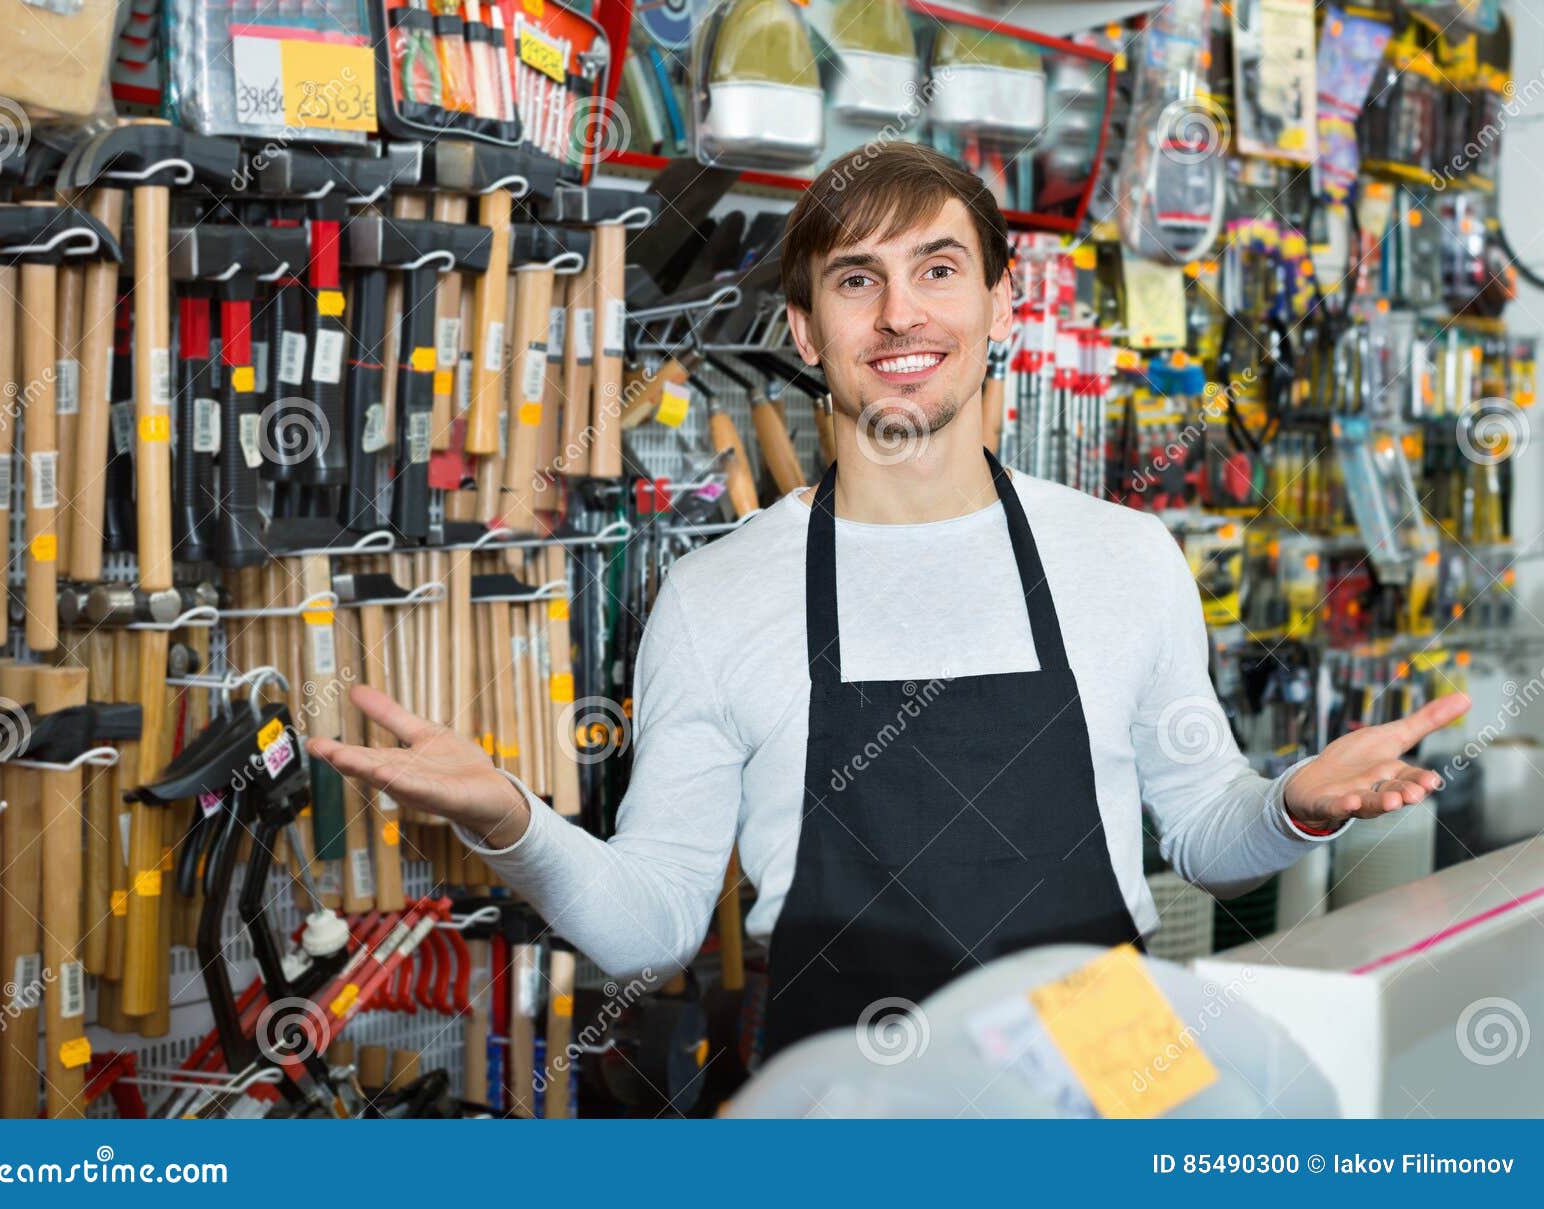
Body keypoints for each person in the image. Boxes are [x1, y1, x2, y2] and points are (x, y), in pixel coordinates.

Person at [309, 142, 1465, 1060]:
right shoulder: (719, 595)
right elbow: (657, 923)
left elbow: (1208, 839)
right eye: (858, 281)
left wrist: (1295, 806)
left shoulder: (1124, 558)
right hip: (853, 1088)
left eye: (937, 270)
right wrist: (509, 820)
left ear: (1000, 305)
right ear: (807, 332)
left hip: (1110, 1069)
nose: (901, 315)